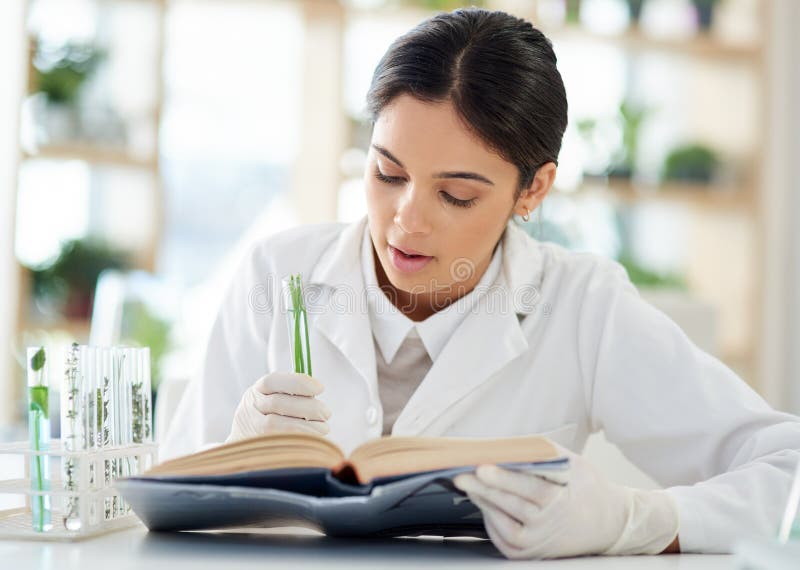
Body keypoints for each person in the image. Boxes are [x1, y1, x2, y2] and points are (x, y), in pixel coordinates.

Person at [161, 8, 800, 560]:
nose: (408, 219)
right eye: (387, 173)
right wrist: (234, 461)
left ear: (533, 190)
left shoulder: (582, 306)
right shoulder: (280, 276)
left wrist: (633, 521)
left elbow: (787, 475)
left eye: (457, 194)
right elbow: (152, 510)